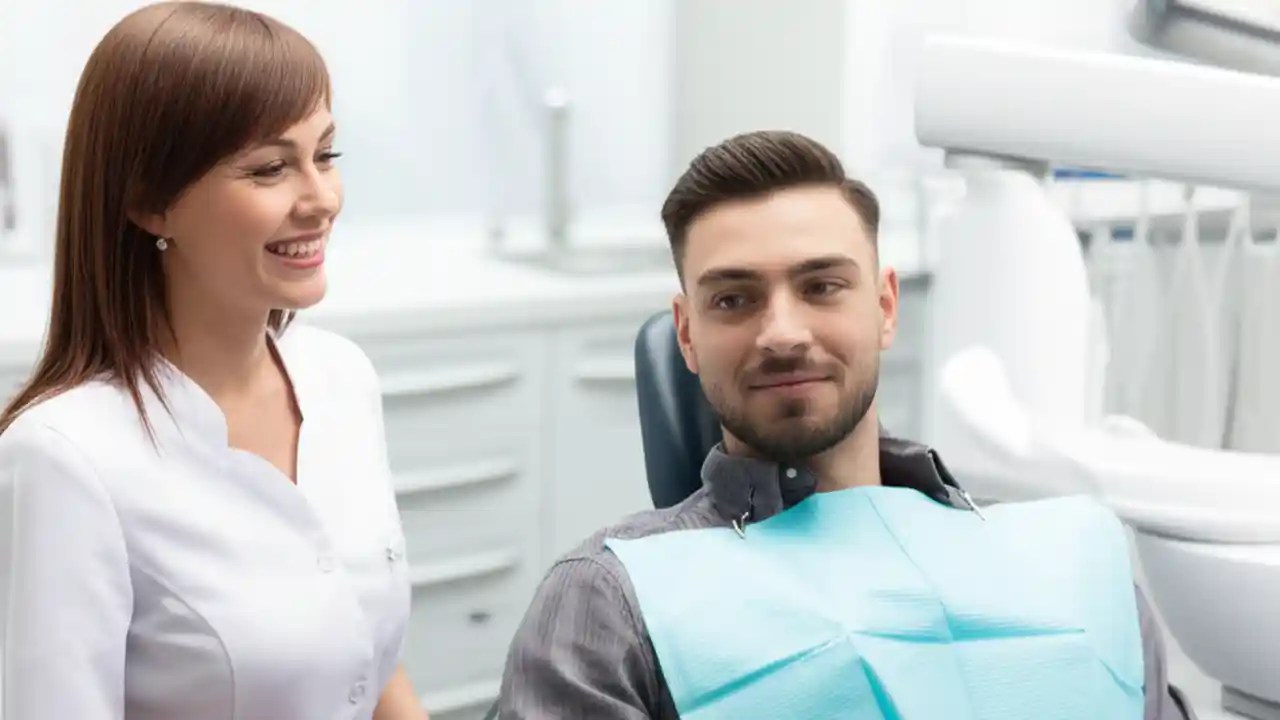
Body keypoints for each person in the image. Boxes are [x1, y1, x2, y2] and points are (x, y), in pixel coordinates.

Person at [496, 130, 1198, 719]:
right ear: (687, 335)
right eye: (734, 299)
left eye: (821, 286)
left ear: (886, 307)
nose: (782, 332)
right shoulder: (608, 605)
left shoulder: (1070, 563)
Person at [0, 3, 427, 719]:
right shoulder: (63, 460)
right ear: (148, 202)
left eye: (325, 155)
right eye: (269, 169)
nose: (320, 199)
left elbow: (365, 658)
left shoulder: (341, 378)